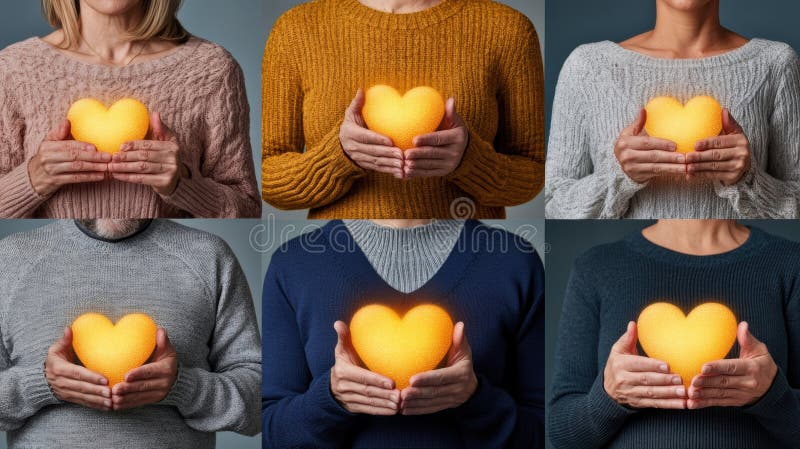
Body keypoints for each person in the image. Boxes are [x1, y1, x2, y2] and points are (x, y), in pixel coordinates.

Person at [261, 219, 545, 448]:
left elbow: (544, 432)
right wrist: (332, 399)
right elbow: (269, 431)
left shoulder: (513, 261)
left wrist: (474, 398)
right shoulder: (294, 265)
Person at [261, 0, 544, 219]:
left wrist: (469, 161)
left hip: (474, 243)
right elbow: (266, 179)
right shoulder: (295, 31)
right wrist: (338, 157)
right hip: (336, 245)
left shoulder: (508, 30)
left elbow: (532, 174)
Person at [0, 219, 262, 448]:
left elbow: (259, 405)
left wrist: (183, 387)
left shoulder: (209, 257)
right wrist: (40, 384)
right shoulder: (12, 259)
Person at [548, 220, 800, 448]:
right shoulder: (596, 267)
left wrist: (772, 394)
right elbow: (561, 434)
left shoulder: (789, 264)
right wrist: (608, 397)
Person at [0, 0, 261, 218]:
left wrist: (183, 183)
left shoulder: (213, 70)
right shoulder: (14, 69)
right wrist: (33, 179)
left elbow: (247, 211)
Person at [545, 0, 800, 219]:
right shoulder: (587, 67)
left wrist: (747, 179)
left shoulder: (776, 64)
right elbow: (552, 207)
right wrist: (618, 175)